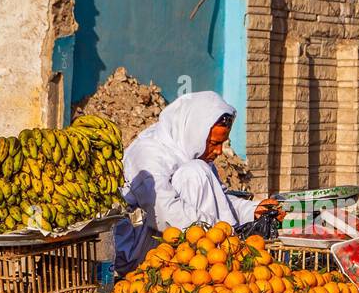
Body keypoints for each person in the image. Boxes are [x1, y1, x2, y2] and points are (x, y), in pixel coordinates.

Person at [115, 91, 278, 271]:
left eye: (221, 144)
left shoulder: (194, 154)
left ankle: (221, 263)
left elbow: (218, 200)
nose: (218, 151)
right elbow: (164, 213)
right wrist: (224, 231)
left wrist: (252, 210)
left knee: (197, 171)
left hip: (170, 241)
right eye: (214, 143)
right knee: (195, 173)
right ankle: (222, 263)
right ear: (196, 133)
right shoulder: (149, 153)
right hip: (135, 249)